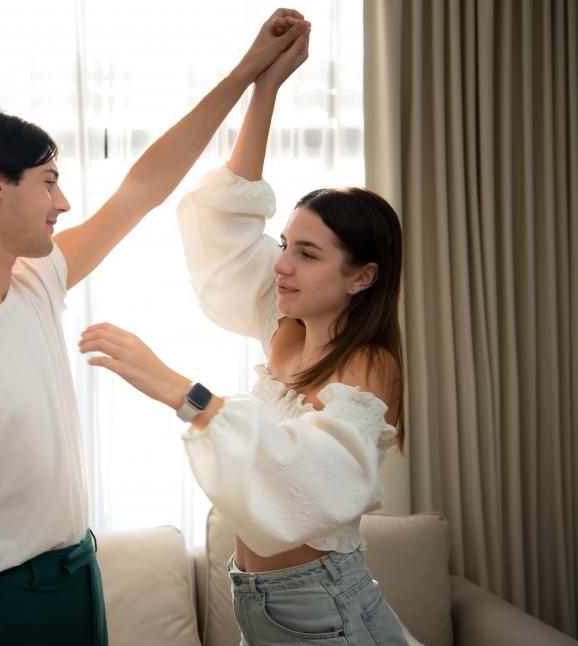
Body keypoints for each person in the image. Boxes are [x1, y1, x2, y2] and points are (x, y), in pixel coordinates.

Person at [0, 9, 311, 646]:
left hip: (78, 576)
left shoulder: (35, 281)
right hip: (4, 605)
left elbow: (145, 185)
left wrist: (248, 75)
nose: (63, 203)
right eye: (49, 183)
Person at [79, 17, 411, 645]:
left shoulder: (367, 367)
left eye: (308, 254)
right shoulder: (284, 325)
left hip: (326, 610)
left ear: (363, 277)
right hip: (261, 606)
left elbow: (308, 482)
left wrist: (179, 390)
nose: (281, 263)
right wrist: (266, 87)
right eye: (286, 244)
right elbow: (228, 221)